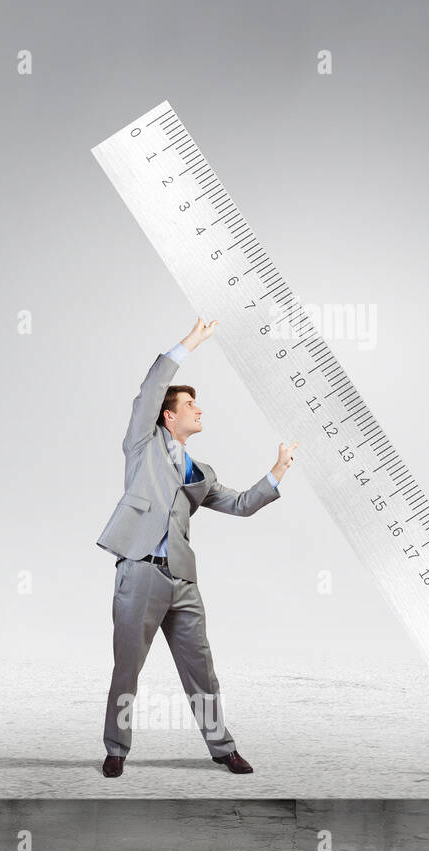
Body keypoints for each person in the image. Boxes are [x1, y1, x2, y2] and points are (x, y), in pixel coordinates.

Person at [97, 317, 299, 778]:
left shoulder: (201, 473)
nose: (199, 410)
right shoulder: (141, 445)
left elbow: (243, 504)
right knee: (127, 669)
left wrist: (279, 469)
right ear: (169, 415)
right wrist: (189, 343)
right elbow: (150, 388)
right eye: (191, 404)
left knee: (203, 672)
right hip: (140, 570)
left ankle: (222, 748)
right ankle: (116, 749)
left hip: (182, 581)